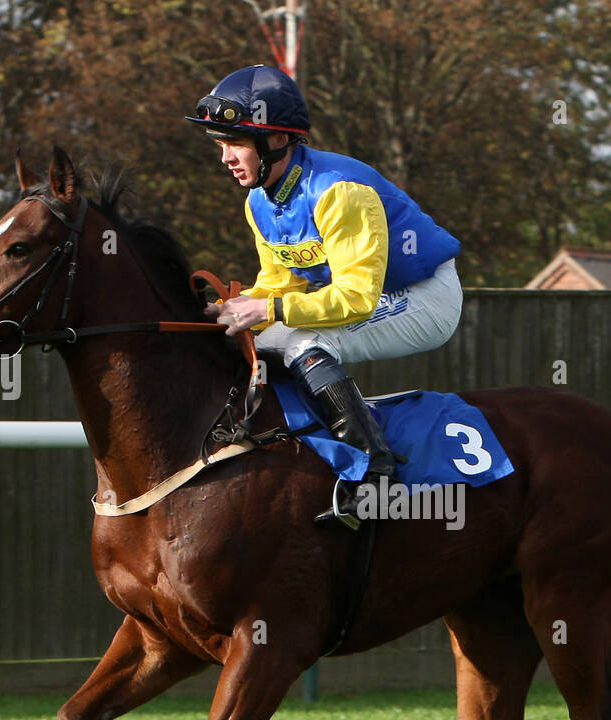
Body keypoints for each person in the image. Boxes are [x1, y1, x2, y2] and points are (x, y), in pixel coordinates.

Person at [187, 64, 462, 528]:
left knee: (299, 341)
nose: (225, 159)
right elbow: (281, 283)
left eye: (234, 144)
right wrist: (234, 307)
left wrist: (268, 309)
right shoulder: (259, 200)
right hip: (371, 295)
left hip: (425, 297)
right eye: (221, 145)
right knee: (264, 338)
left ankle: (377, 475)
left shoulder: (340, 191)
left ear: (275, 140)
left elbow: (356, 298)